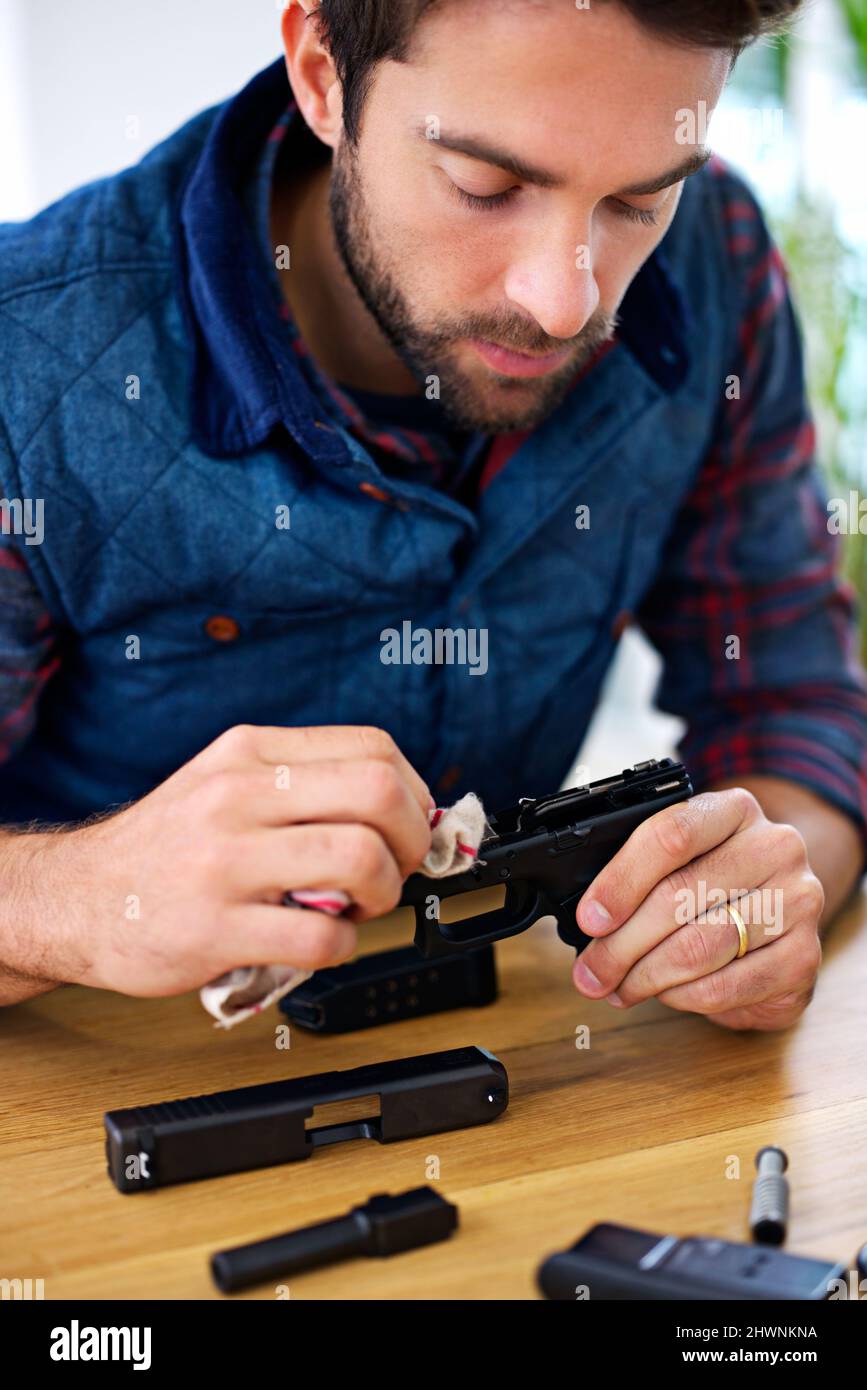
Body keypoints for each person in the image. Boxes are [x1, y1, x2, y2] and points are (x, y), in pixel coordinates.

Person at [0, 0, 863, 1031]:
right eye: (485, 185)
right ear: (322, 72)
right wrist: (71, 899)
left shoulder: (715, 254)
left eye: (639, 200)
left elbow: (794, 704)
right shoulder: (28, 360)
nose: (563, 300)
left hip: (522, 1084)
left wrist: (760, 884)